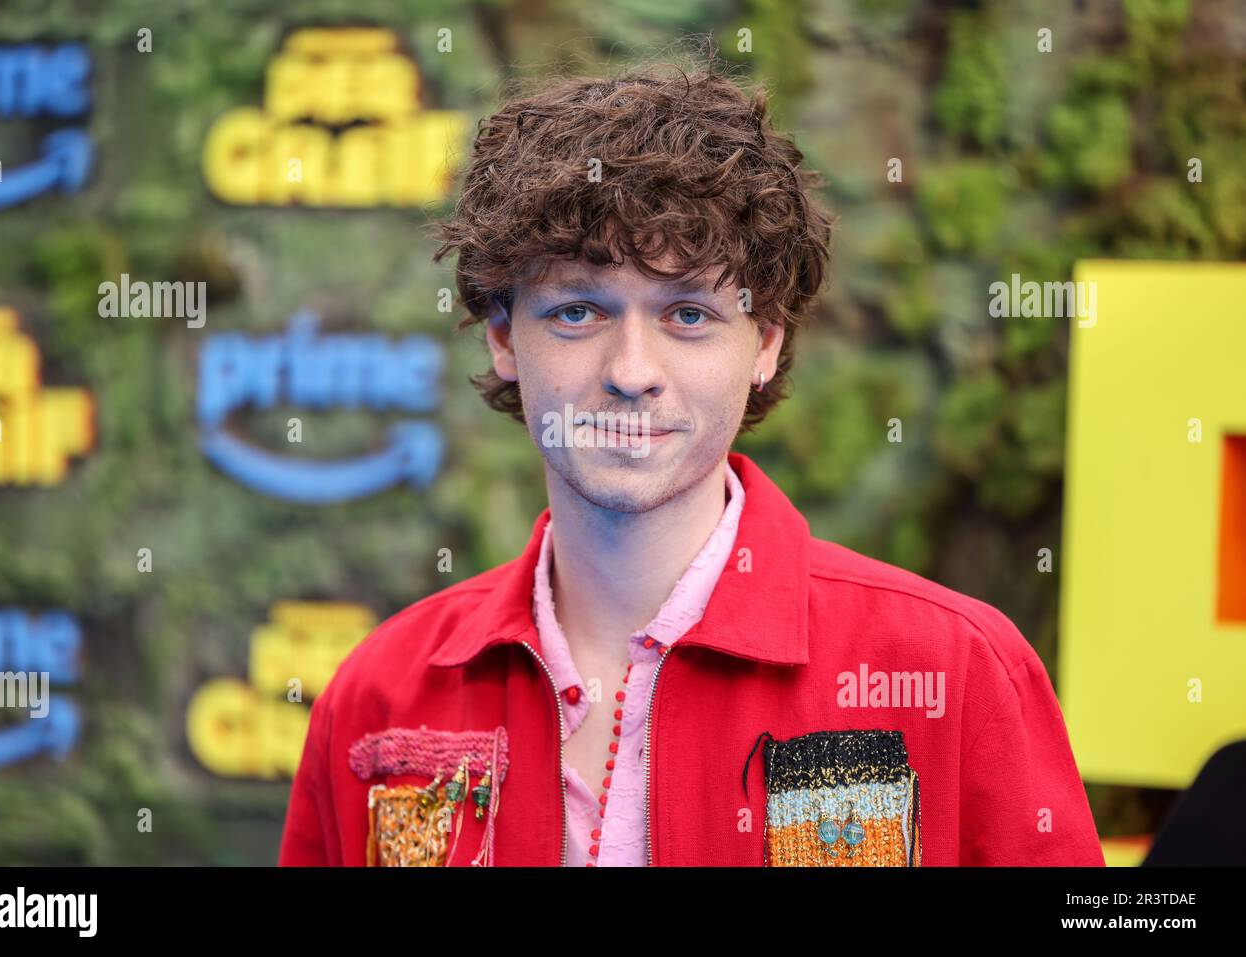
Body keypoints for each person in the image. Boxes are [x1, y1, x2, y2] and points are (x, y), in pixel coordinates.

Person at [278, 62, 1104, 867]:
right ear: (503, 337)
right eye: (576, 310)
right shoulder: (379, 696)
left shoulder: (951, 668)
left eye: (688, 313)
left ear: (766, 342)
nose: (631, 369)